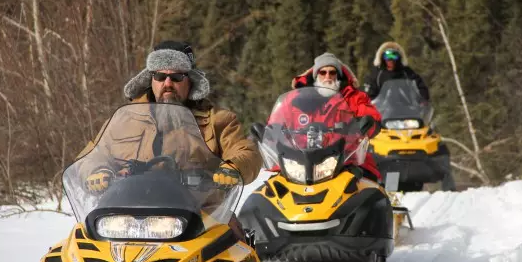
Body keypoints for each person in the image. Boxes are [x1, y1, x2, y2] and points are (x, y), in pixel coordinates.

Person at [77, 40, 262, 241]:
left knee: (237, 251)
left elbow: (246, 152)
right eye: (160, 76)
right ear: (150, 79)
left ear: (190, 80)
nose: (167, 84)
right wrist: (96, 172)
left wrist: (233, 168)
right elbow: (89, 157)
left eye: (176, 77)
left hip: (201, 219)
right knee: (75, 253)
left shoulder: (217, 120)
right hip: (124, 219)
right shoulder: (123, 120)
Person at [272, 52, 382, 182]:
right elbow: (276, 123)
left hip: (345, 160)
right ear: (316, 75)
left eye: (332, 72)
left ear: (338, 75)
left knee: (369, 187)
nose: (327, 76)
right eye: (323, 72)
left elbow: (371, 117)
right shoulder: (294, 99)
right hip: (298, 161)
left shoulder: (353, 97)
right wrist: (271, 132)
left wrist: (365, 124)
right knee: (269, 190)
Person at [362, 41, 429, 102]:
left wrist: (423, 98)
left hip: (406, 109)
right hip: (383, 111)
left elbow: (420, 85)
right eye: (387, 56)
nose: (391, 60)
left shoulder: (406, 72)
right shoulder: (377, 74)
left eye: (394, 56)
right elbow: (369, 92)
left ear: (399, 57)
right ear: (382, 58)